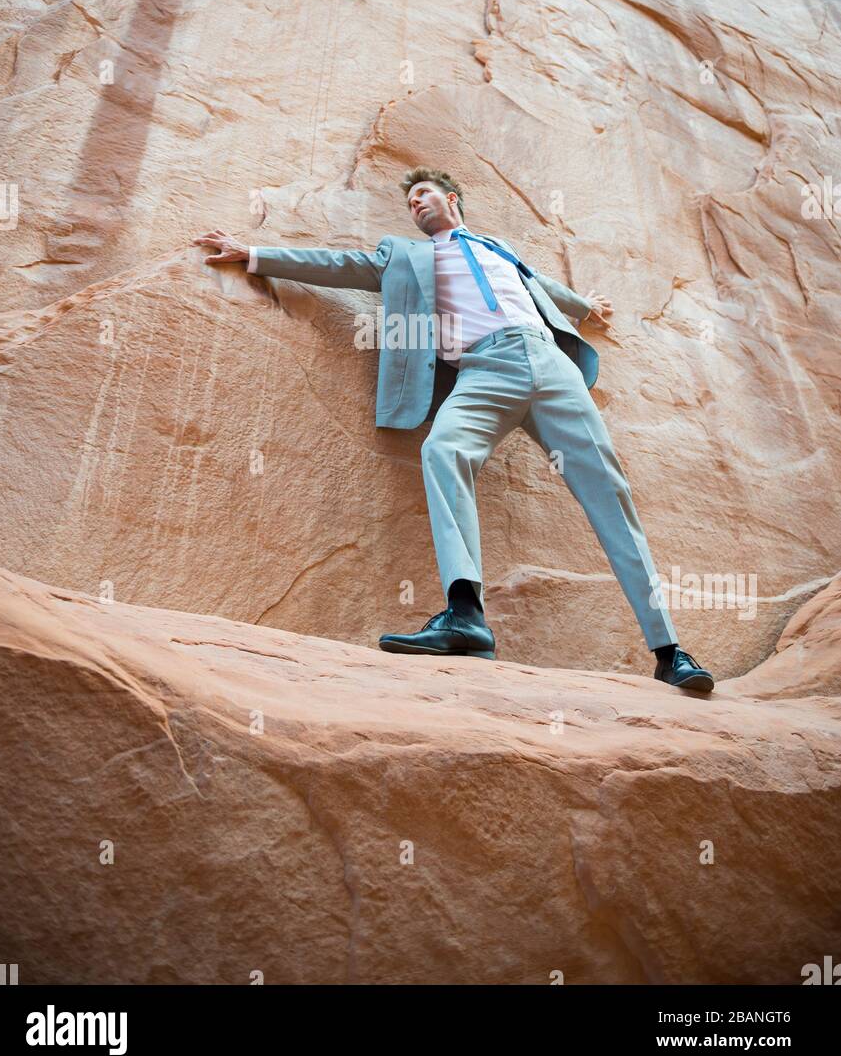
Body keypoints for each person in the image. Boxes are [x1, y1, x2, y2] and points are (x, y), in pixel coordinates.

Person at [194, 167, 714, 692]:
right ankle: (466, 615)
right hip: (482, 371)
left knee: (609, 492)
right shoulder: (405, 253)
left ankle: (670, 651)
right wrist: (253, 255)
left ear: (453, 199)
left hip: (552, 367)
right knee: (443, 450)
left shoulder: (498, 247)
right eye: (410, 200)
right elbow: (341, 265)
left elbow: (539, 283)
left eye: (424, 194)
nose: (416, 203)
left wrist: (585, 308)